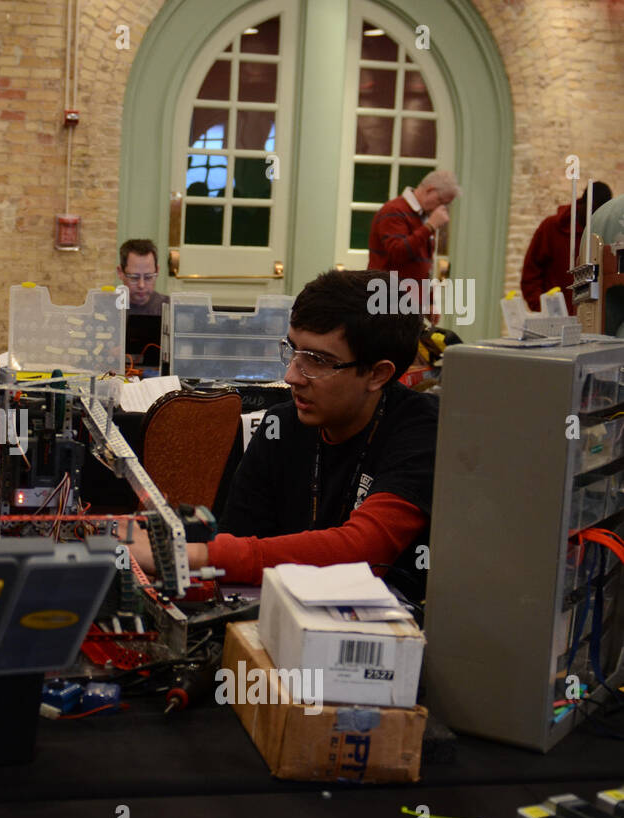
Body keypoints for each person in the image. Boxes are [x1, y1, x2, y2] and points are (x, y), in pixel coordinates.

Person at [130, 269, 437, 601]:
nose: (291, 375)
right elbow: (234, 556)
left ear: (378, 374)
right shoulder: (281, 426)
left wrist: (183, 554)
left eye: (317, 360)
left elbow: (364, 552)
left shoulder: (422, 431)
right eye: (293, 350)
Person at [368, 170, 460, 322]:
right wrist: (430, 226)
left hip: (410, 304)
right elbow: (397, 252)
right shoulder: (394, 211)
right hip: (387, 301)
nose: (442, 209)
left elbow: (423, 266)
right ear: (430, 190)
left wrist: (429, 301)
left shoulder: (422, 217)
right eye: (442, 202)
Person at [522, 182, 612, 314]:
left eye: (599, 214)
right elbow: (531, 274)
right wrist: (543, 307)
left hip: (589, 318)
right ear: (583, 203)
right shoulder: (551, 227)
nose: (594, 217)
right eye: (592, 211)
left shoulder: (603, 234)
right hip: (553, 319)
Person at [117, 238, 168, 368]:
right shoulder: (103, 309)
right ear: (120, 273)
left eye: (149, 277)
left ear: (157, 270)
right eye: (134, 278)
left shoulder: (170, 309)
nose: (141, 285)